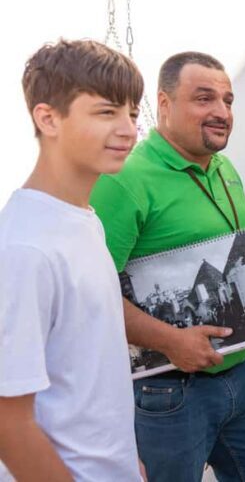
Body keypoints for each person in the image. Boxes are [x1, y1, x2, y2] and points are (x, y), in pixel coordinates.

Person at [90, 51, 245, 482]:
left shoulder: (224, 169)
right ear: (164, 104)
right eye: (204, 99)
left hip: (241, 377)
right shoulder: (123, 179)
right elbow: (91, 293)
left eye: (228, 100)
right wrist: (170, 339)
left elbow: (208, 254)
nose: (222, 112)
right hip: (169, 391)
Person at [0, 39, 143, 481]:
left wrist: (125, 462)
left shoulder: (83, 218)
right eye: (106, 112)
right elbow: (8, 422)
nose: (128, 129)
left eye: (133, 114)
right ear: (48, 118)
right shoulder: (25, 248)